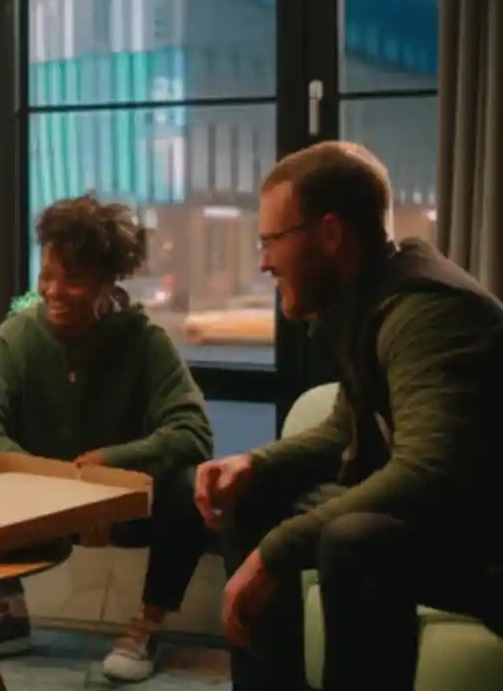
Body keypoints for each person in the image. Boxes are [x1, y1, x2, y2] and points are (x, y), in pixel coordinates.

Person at [194, 141, 503, 691]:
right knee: (252, 494)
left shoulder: (426, 311)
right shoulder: (367, 300)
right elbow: (346, 429)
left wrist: (275, 553)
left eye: (272, 241)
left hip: (487, 541)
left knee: (354, 539)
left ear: (331, 233)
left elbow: (428, 471)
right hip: (454, 520)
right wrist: (254, 463)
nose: (264, 261)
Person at [0, 194, 213, 683]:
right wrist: (54, 485)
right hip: (35, 504)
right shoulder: (16, 338)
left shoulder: (146, 342)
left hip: (124, 506)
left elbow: (192, 433)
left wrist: (108, 471)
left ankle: (147, 626)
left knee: (187, 488)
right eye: (47, 277)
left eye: (74, 280)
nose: (55, 291)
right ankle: (7, 612)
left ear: (107, 283)